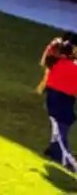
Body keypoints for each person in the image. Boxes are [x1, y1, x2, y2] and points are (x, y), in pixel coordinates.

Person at [40, 35, 77, 171]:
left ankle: (58, 153)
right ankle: (62, 156)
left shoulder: (55, 63)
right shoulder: (73, 68)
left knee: (58, 130)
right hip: (65, 102)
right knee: (61, 132)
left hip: (53, 100)